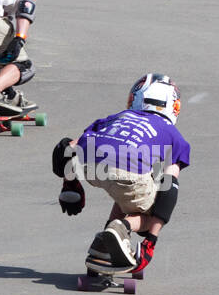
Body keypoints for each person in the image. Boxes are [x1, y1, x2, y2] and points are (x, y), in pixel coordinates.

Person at [50, 74, 189, 275]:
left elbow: (65, 149)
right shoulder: (172, 135)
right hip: (128, 172)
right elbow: (169, 190)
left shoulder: (116, 117)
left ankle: (104, 244)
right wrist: (151, 241)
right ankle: (120, 228)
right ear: (173, 106)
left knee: (128, 194)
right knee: (152, 208)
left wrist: (70, 185)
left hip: (91, 166)